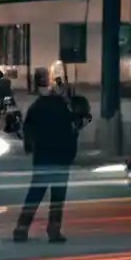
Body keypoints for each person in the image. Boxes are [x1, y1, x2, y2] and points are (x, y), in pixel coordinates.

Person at [13, 89, 81, 243]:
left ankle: (22, 228)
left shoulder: (37, 107)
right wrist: (71, 155)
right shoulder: (65, 109)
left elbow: (28, 128)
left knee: (36, 192)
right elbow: (72, 132)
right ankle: (54, 229)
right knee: (57, 196)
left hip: (43, 155)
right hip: (61, 157)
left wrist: (29, 146)